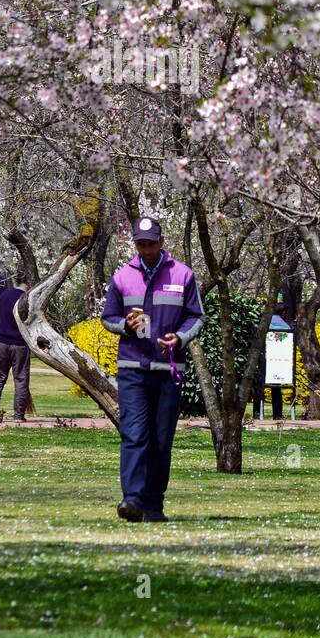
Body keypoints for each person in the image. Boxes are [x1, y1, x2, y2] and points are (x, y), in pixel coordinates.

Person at [101, 217, 203, 522]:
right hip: (133, 368)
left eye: (150, 243)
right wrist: (126, 327)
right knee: (134, 434)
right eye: (140, 243)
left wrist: (180, 337)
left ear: (161, 242)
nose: (145, 249)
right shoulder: (122, 276)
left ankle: (154, 504)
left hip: (168, 370)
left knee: (161, 440)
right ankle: (131, 500)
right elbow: (108, 317)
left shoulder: (183, 275)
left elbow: (196, 317)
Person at [0, 275, 32, 422]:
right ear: (29, 283)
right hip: (20, 344)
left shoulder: (4, 296)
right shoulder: (27, 299)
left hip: (1, 343)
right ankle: (19, 415)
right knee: (21, 379)